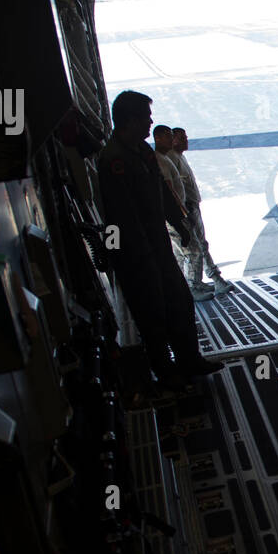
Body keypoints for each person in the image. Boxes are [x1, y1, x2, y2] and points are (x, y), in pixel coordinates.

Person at [98, 91, 222, 390]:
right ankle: (166, 373)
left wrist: (179, 221)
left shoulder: (141, 151)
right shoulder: (114, 159)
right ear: (130, 120)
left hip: (158, 248)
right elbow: (121, 214)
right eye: (145, 117)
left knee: (179, 302)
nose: (151, 122)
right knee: (152, 315)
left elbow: (162, 192)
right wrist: (141, 255)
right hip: (137, 255)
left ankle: (189, 359)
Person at [169, 127, 232, 295]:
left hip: (191, 206)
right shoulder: (170, 159)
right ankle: (200, 282)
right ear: (171, 140)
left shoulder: (179, 157)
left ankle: (191, 283)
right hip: (185, 209)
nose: (185, 140)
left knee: (193, 247)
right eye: (181, 138)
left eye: (185, 137)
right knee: (194, 248)